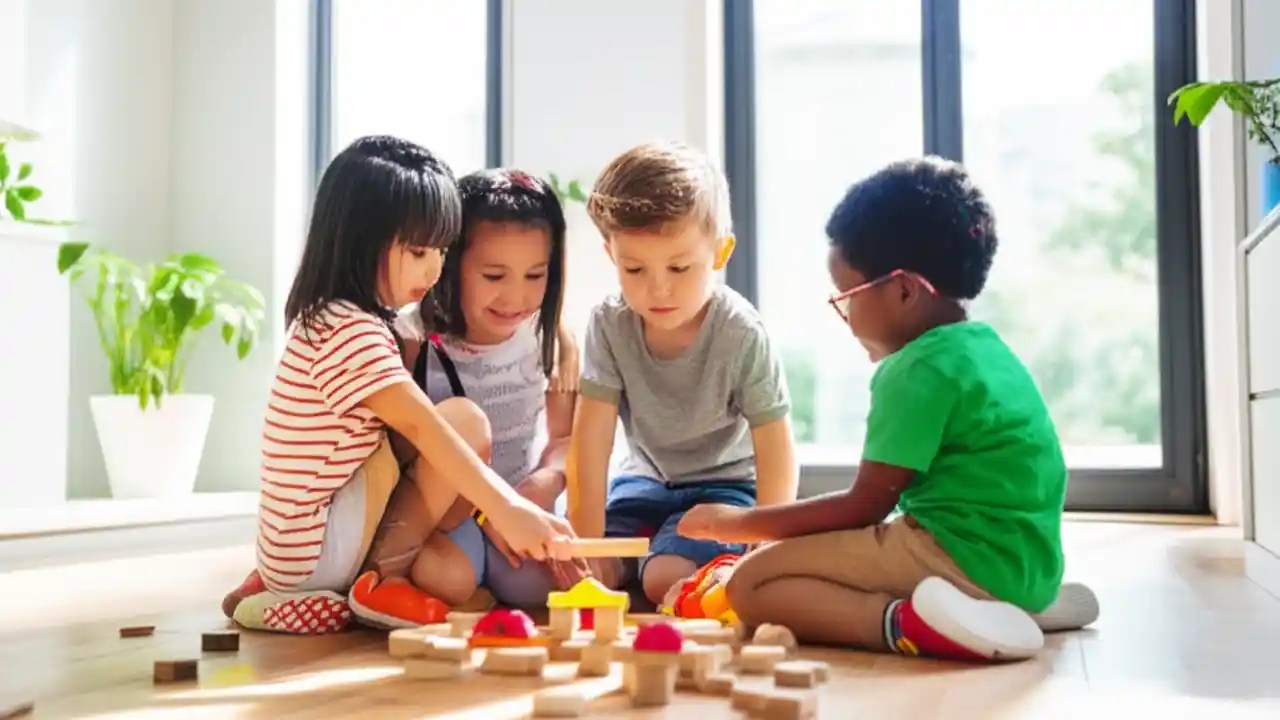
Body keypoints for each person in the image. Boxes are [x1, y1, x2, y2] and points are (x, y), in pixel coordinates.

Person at [678, 156, 1099, 661]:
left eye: (846, 296)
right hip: (1027, 562)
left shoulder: (917, 369)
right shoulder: (985, 348)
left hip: (956, 554)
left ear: (903, 290)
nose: (846, 314)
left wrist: (737, 523)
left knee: (751, 583)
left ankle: (910, 624)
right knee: (813, 557)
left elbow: (865, 507)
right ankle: (1017, 603)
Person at [221, 137, 574, 633]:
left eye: (442, 251)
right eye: (418, 251)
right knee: (461, 422)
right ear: (361, 241)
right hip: (313, 550)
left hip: (294, 543)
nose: (434, 270)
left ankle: (291, 589)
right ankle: (376, 582)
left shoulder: (332, 318)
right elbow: (424, 427)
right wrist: (507, 507)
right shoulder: (352, 331)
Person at [568, 140, 799, 606]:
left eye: (679, 267)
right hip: (643, 484)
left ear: (720, 252)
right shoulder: (610, 323)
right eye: (634, 268)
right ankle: (650, 555)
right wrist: (586, 554)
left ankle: (678, 558)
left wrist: (761, 542)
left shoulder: (740, 332)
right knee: (580, 566)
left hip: (727, 488)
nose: (658, 288)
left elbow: (776, 448)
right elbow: (590, 444)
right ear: (611, 253)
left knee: (662, 576)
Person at [359, 168, 589, 614]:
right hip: (447, 516)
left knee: (545, 586)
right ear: (451, 264)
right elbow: (403, 451)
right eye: (494, 275)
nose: (516, 297)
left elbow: (564, 440)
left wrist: (537, 488)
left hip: (520, 501)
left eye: (535, 274)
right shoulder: (412, 339)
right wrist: (484, 510)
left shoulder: (554, 338)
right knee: (444, 576)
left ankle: (481, 594)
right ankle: (436, 584)